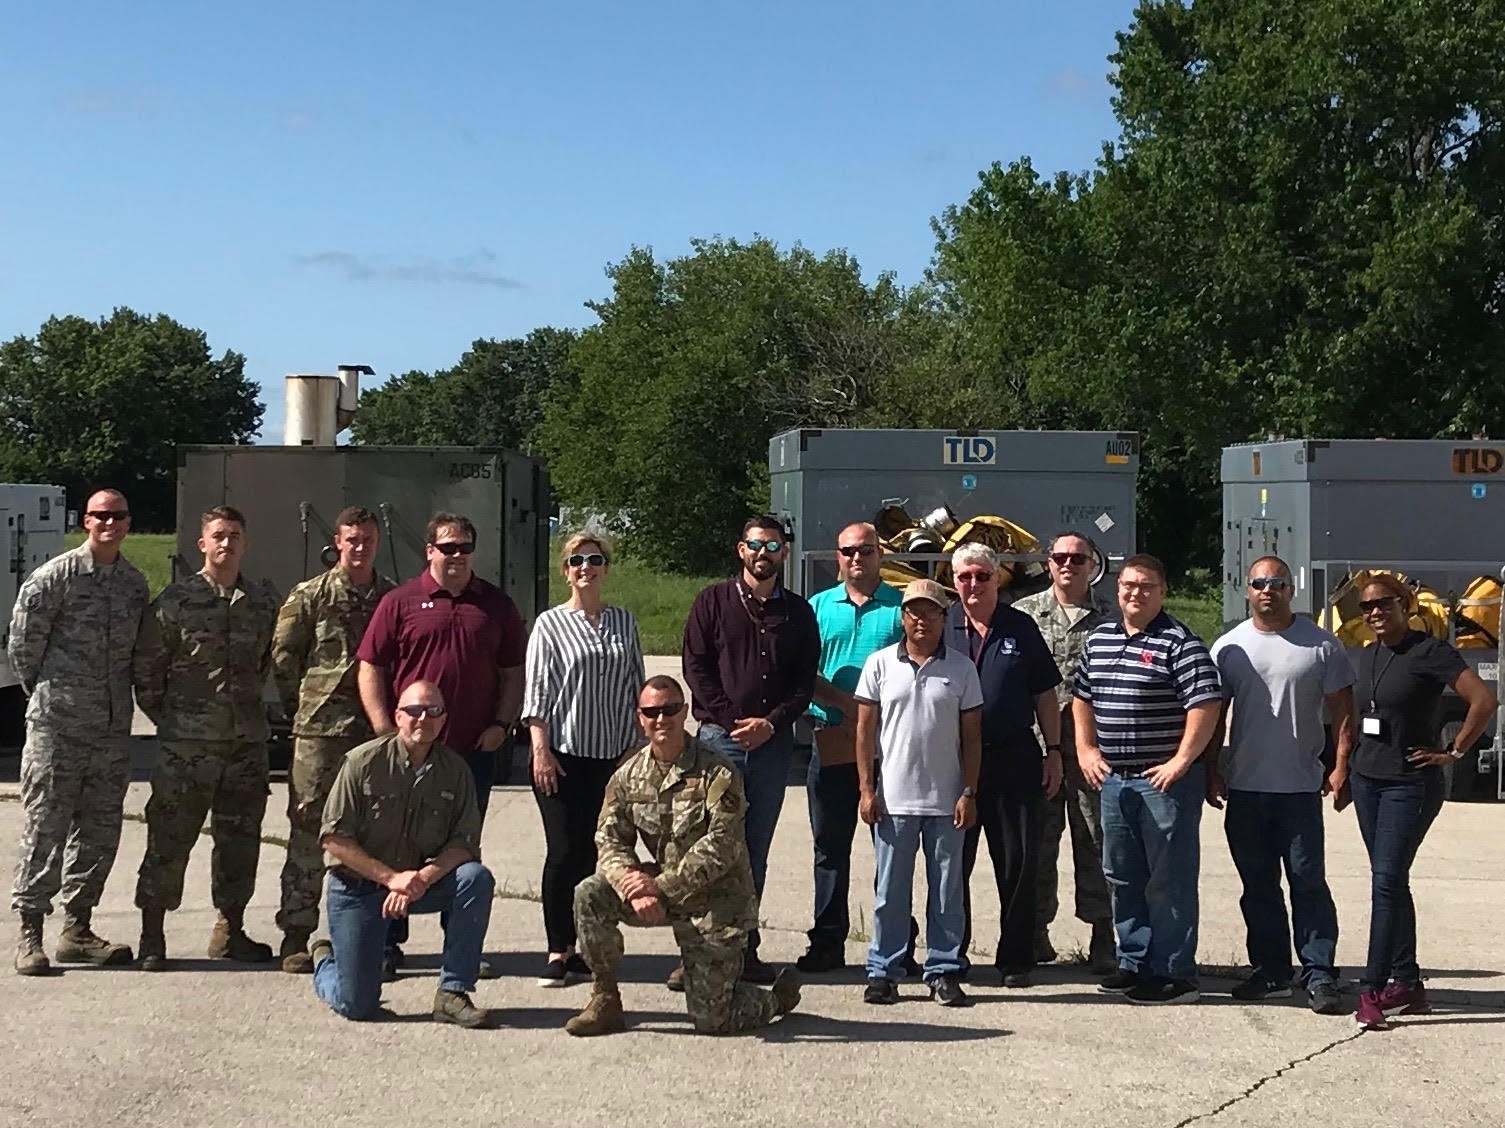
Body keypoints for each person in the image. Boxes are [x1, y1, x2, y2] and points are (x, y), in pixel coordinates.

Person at [565, 675, 802, 1036]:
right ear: (640, 718)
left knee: (713, 1020)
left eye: (670, 709)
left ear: (685, 712)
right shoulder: (628, 776)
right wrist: (630, 884)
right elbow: (609, 839)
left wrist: (658, 887)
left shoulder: (717, 771)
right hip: (660, 891)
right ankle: (605, 999)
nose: (662, 719)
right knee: (590, 893)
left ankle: (776, 1000)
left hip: (717, 899)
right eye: (652, 712)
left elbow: (722, 845)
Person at [356, 511, 526, 976]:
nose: (457, 556)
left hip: (471, 752)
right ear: (429, 550)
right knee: (395, 844)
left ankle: (461, 948)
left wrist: (502, 723)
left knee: (462, 848)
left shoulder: (495, 606)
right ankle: (387, 943)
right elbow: (371, 666)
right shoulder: (400, 601)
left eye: (465, 547)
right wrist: (382, 728)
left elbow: (513, 671)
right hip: (407, 751)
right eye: (448, 547)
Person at [1340, 574, 1496, 1029]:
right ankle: (1407, 982)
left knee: (1386, 883)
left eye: (1384, 604)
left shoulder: (1430, 651)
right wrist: (1345, 767)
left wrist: (1455, 751)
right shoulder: (1368, 654)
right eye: (1366, 606)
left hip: (1409, 784)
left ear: (1405, 605)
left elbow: (1483, 700)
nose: (1374, 612)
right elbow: (1358, 715)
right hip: (1368, 779)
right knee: (1391, 881)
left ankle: (1372, 988)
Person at [133, 505, 281, 970]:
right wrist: (178, 721)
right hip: (187, 747)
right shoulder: (174, 602)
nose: (226, 543)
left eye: (234, 535)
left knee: (240, 841)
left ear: (245, 543)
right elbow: (147, 675)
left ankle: (230, 930)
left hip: (245, 747)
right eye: (218, 535)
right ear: (202, 544)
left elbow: (264, 665)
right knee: (169, 839)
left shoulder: (261, 603)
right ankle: (152, 934)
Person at [1207, 555, 1355, 1015]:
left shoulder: (1321, 645)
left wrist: (1341, 766)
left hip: (1300, 789)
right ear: (1246, 590)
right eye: (1259, 583)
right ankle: (1270, 970)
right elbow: (1213, 715)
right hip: (1246, 788)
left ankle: (1319, 972)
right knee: (1258, 886)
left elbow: (1343, 710)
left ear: (1292, 590)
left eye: (1277, 582)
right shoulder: (1229, 647)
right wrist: (1211, 769)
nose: (1267, 590)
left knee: (1308, 883)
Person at [10, 490, 149, 975]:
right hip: (58, 728)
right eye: (100, 515)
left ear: (128, 523)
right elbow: (23, 651)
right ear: (85, 521)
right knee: (45, 828)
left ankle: (77, 930)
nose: (109, 523)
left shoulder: (133, 585)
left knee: (99, 833)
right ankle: (30, 933)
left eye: (118, 515)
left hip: (110, 731)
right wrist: (54, 700)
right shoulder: (54, 578)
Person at [1072, 554, 1221, 1005]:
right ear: (1117, 589)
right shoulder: (1099, 639)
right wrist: (1086, 749)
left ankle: (1174, 973)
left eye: (1146, 586)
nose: (1135, 593)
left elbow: (1205, 705)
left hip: (1163, 782)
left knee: (1168, 879)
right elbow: (1082, 697)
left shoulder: (1181, 643)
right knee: (1123, 875)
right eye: (1128, 585)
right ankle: (1134, 961)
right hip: (1115, 780)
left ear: (1163, 591)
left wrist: (1181, 761)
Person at [681, 515, 819, 983]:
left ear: (784, 553)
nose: (764, 553)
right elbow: (696, 667)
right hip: (719, 742)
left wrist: (771, 723)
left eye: (773, 546)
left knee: (753, 851)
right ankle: (699, 953)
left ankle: (744, 950)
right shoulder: (712, 602)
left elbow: (803, 682)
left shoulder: (798, 613)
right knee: (710, 847)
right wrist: (730, 721)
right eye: (756, 545)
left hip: (772, 746)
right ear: (741, 549)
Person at [311, 680, 495, 1027]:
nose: (423, 718)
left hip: (417, 885)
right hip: (359, 888)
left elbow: (465, 844)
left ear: (443, 720)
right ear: (397, 716)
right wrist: (391, 878)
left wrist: (420, 879)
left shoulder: (455, 771)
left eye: (433, 711)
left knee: (475, 878)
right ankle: (324, 960)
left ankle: (453, 992)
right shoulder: (362, 762)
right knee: (356, 1004)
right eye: (414, 710)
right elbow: (333, 839)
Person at [270, 506, 396, 973]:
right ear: (337, 543)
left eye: (367, 540)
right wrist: (303, 707)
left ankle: (365, 937)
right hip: (320, 731)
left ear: (377, 543)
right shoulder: (310, 595)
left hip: (372, 732)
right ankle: (295, 933)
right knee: (309, 830)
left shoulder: (390, 598)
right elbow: (284, 659)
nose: (360, 548)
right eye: (352, 540)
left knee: (372, 836)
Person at [522, 532, 645, 986]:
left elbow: (637, 686)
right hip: (561, 758)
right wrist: (540, 750)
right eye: (577, 560)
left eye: (594, 559)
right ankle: (559, 949)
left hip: (613, 760)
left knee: (598, 854)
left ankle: (588, 948)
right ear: (566, 571)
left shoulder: (623, 621)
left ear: (606, 568)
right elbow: (538, 693)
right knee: (564, 852)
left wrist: (634, 749)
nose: (586, 567)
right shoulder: (550, 624)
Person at [856, 579, 982, 1007]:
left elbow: (972, 737)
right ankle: (883, 971)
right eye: (913, 612)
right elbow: (864, 731)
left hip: (947, 802)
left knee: (947, 892)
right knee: (890, 892)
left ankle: (943, 968)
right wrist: (867, 788)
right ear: (902, 617)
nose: (921, 620)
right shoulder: (878, 665)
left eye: (931, 612)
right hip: (893, 801)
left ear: (945, 618)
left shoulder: (962, 669)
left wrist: (969, 792)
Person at [942, 544, 1062, 987]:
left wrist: (1054, 751)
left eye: (982, 576)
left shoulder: (1020, 626)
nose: (973, 584)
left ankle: (1016, 958)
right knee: (953, 863)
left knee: (1017, 861)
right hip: (954, 761)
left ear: (997, 579)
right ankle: (950, 954)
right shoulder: (942, 624)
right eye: (965, 576)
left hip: (1014, 757)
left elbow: (1044, 693)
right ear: (954, 580)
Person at [798, 521, 906, 974]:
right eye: (848, 551)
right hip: (832, 741)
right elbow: (800, 672)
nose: (856, 558)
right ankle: (827, 941)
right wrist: (845, 704)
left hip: (889, 747)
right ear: (837, 557)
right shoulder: (817, 608)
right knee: (829, 848)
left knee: (893, 851)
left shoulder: (901, 608)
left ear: (880, 554)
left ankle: (896, 944)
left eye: (865, 550)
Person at [1013, 532, 1117, 974]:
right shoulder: (1024, 614)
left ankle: (1104, 935)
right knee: (1037, 843)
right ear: (1049, 563)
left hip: (1094, 751)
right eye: (1060, 557)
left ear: (1093, 564)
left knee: (1097, 841)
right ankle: (1035, 931)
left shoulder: (1111, 618)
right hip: (1039, 749)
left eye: (1078, 558)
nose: (1068, 565)